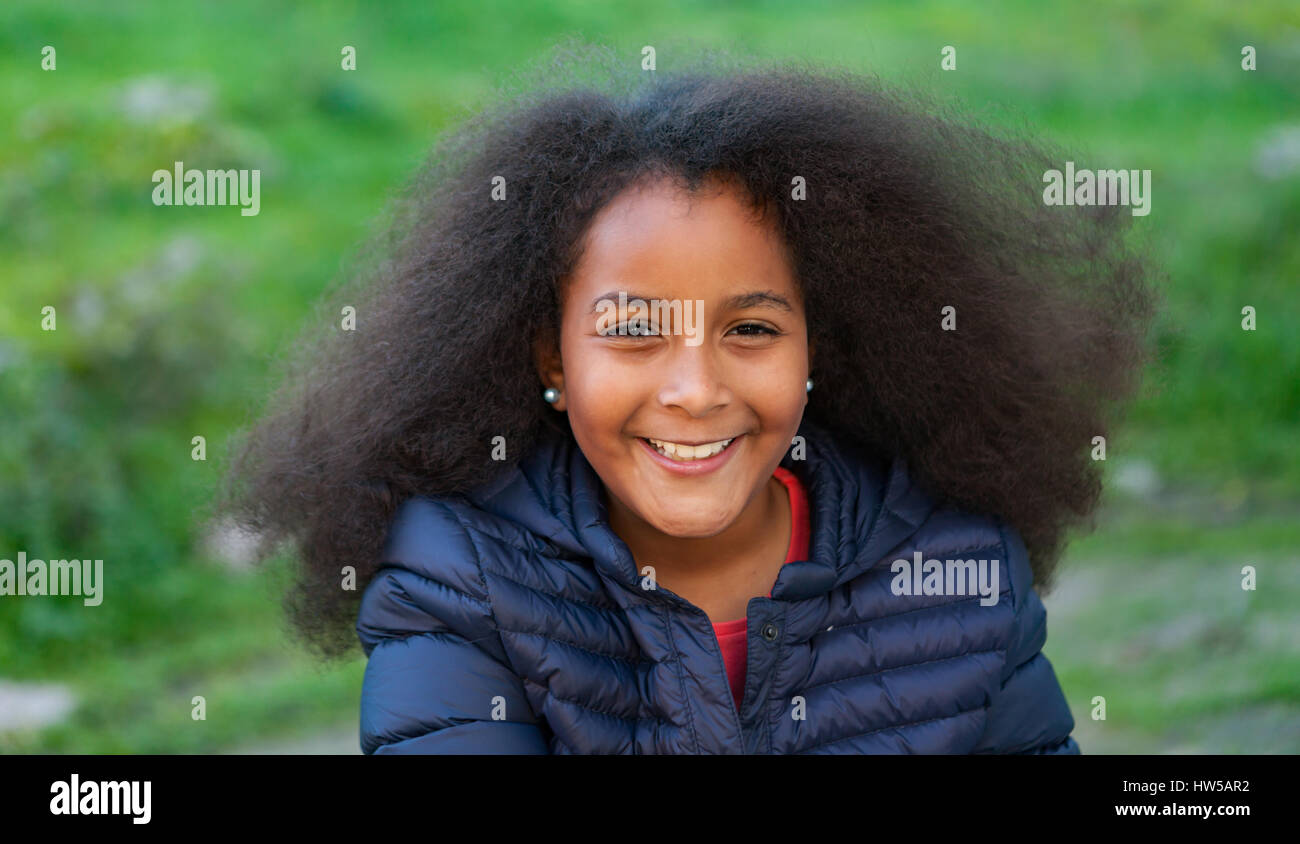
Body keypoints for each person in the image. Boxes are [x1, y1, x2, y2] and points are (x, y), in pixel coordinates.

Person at [215, 44, 1159, 753]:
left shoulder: (958, 566)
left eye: (751, 330)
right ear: (550, 354)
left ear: (818, 345)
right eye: (632, 332)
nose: (695, 390)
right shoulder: (456, 582)